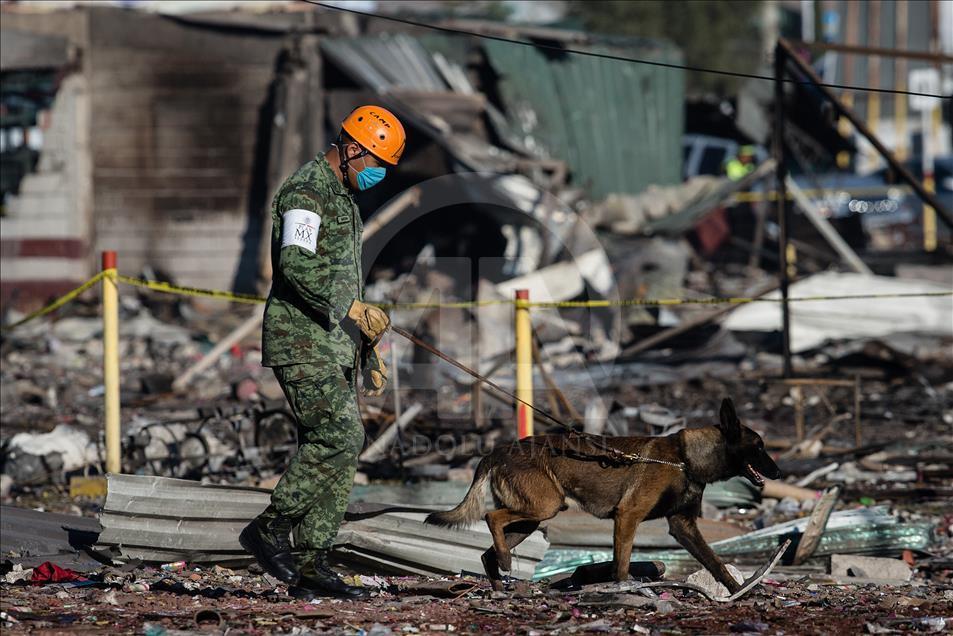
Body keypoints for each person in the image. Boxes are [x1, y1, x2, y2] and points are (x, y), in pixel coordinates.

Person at [240, 105, 406, 599]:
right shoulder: (306, 192)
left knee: (343, 447)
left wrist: (366, 347)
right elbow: (294, 265)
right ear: (352, 147)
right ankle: (270, 527)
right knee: (340, 434)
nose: (377, 174)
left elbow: (337, 279)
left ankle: (313, 561)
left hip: (332, 346)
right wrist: (350, 307)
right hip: (300, 340)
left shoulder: (345, 198)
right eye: (375, 161)